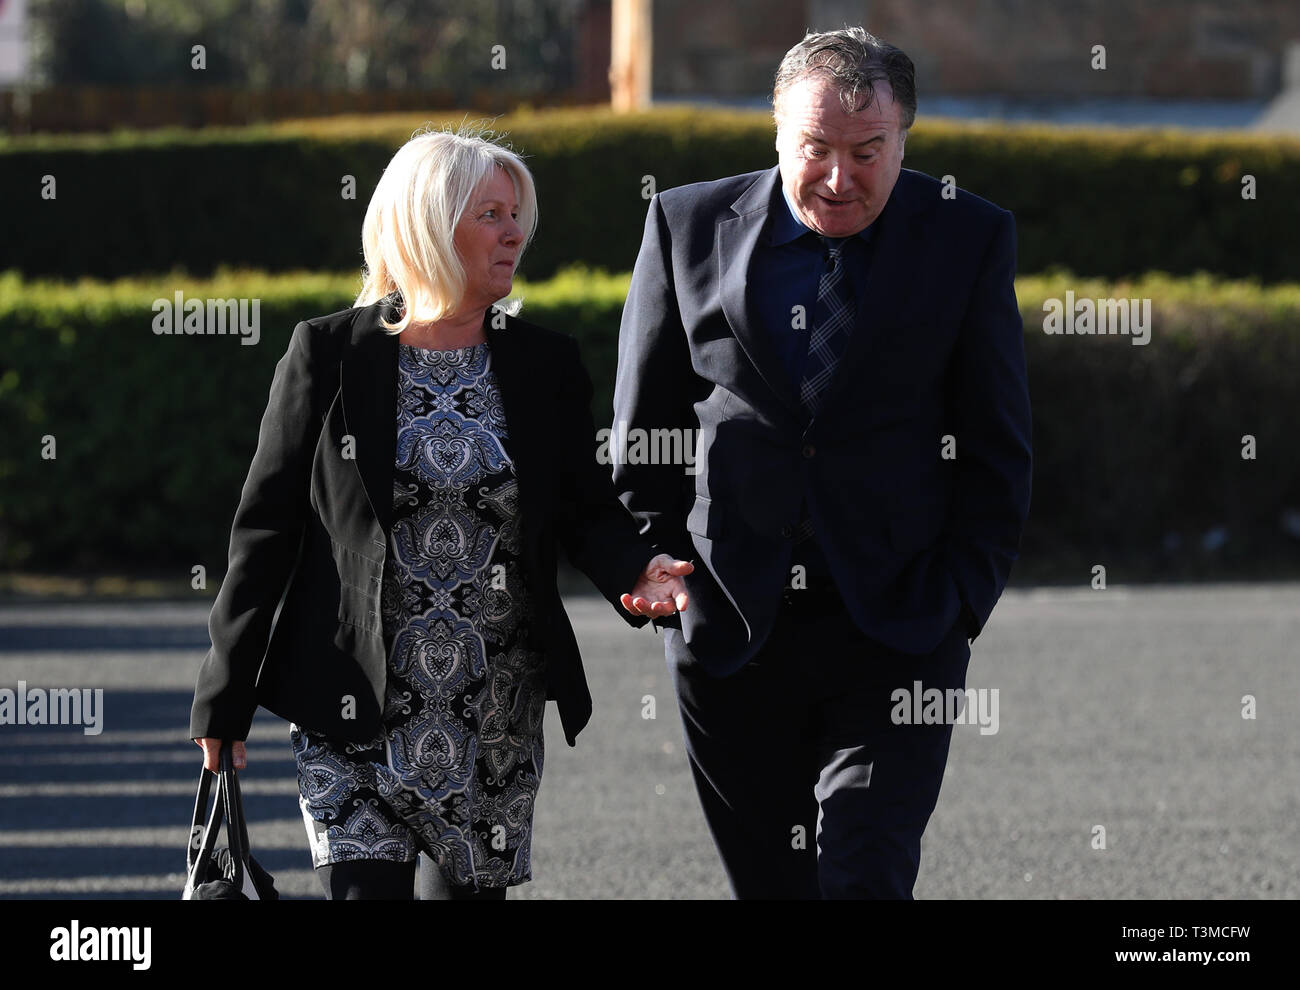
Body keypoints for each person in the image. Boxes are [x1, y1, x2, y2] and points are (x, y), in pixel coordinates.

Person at [189, 125, 692, 900]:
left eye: (516, 213)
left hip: (494, 713)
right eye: (490, 213)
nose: (515, 231)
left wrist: (639, 569)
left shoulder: (544, 363)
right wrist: (222, 699)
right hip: (352, 705)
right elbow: (265, 532)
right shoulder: (326, 355)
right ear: (427, 222)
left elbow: (585, 508)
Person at [612, 28, 1032, 899]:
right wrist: (656, 562)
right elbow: (640, 426)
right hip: (729, 631)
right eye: (816, 148)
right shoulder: (685, 226)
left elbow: (997, 443)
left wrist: (960, 598)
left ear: (905, 138)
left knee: (865, 876)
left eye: (868, 151)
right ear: (776, 132)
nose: (840, 177)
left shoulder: (968, 239)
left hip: (899, 628)